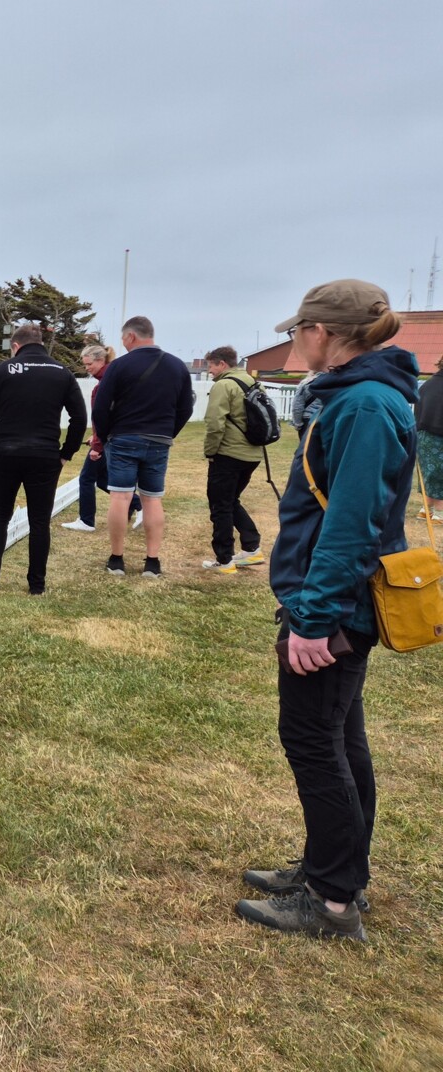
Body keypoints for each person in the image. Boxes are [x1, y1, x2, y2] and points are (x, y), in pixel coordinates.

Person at [236, 279, 415, 943]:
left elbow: (352, 522)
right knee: (339, 737)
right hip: (336, 597)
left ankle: (333, 901)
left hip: (333, 602)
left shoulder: (364, 404)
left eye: (297, 330)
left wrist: (315, 620)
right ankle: (331, 870)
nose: (292, 341)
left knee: (314, 740)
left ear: (323, 333)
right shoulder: (360, 396)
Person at [0, 322, 87, 594]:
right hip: (45, 455)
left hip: (4, 453)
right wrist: (65, 454)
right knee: (39, 521)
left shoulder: (2, 371)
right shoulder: (62, 373)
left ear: (16, 346)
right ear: (41, 344)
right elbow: (80, 418)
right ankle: (36, 585)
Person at [89, 316, 195, 577]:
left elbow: (100, 407)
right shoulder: (177, 366)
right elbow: (185, 408)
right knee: (152, 499)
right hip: (159, 439)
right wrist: (169, 432)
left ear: (131, 337)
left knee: (120, 497)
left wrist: (104, 435)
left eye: (123, 338)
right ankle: (152, 562)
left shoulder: (119, 366)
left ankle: (116, 559)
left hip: (123, 438)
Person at [60, 343, 142, 533]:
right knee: (103, 479)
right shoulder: (116, 379)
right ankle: (136, 503)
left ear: (100, 360)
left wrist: (97, 443)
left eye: (89, 364)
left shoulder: (104, 384)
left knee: (87, 478)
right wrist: (96, 435)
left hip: (108, 441)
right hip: (114, 437)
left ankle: (87, 520)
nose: (87, 369)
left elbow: (101, 416)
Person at [200, 346, 266, 573]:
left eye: (211, 365)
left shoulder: (224, 385)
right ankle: (251, 547)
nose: (209, 370)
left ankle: (224, 559)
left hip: (228, 453)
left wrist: (210, 451)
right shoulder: (253, 382)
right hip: (252, 453)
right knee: (230, 500)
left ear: (222, 364)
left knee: (219, 505)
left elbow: (215, 424)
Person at [415, 356, 443, 521]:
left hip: (423, 435)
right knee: (439, 474)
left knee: (429, 473)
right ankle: (440, 512)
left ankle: (426, 509)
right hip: (438, 434)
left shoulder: (428, 384)